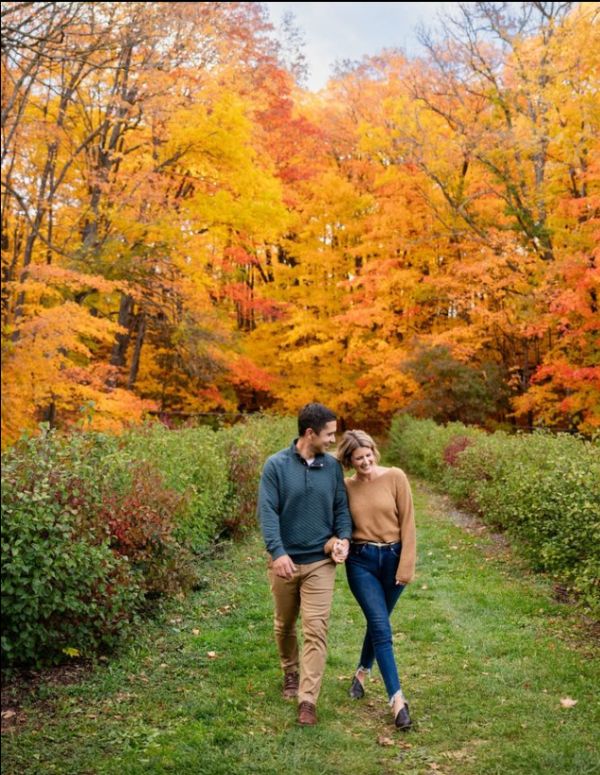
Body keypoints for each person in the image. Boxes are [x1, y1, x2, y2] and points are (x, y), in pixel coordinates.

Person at [257, 402, 353, 726]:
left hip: (320, 563)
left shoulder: (332, 467)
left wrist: (344, 538)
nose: (332, 440)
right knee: (285, 625)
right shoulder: (275, 466)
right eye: (329, 434)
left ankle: (307, 700)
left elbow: (341, 507)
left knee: (316, 629)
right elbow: (268, 512)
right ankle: (290, 672)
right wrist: (278, 552)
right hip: (284, 562)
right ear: (310, 433)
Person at [326, 429, 417, 730]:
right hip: (361, 561)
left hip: (393, 558)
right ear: (349, 460)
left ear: (374, 452)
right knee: (380, 625)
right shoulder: (346, 486)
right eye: (358, 458)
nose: (365, 462)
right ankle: (398, 701)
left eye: (368, 455)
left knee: (380, 623)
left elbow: (408, 523)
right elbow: (340, 523)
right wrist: (339, 543)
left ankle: (362, 671)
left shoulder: (395, 477)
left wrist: (406, 568)